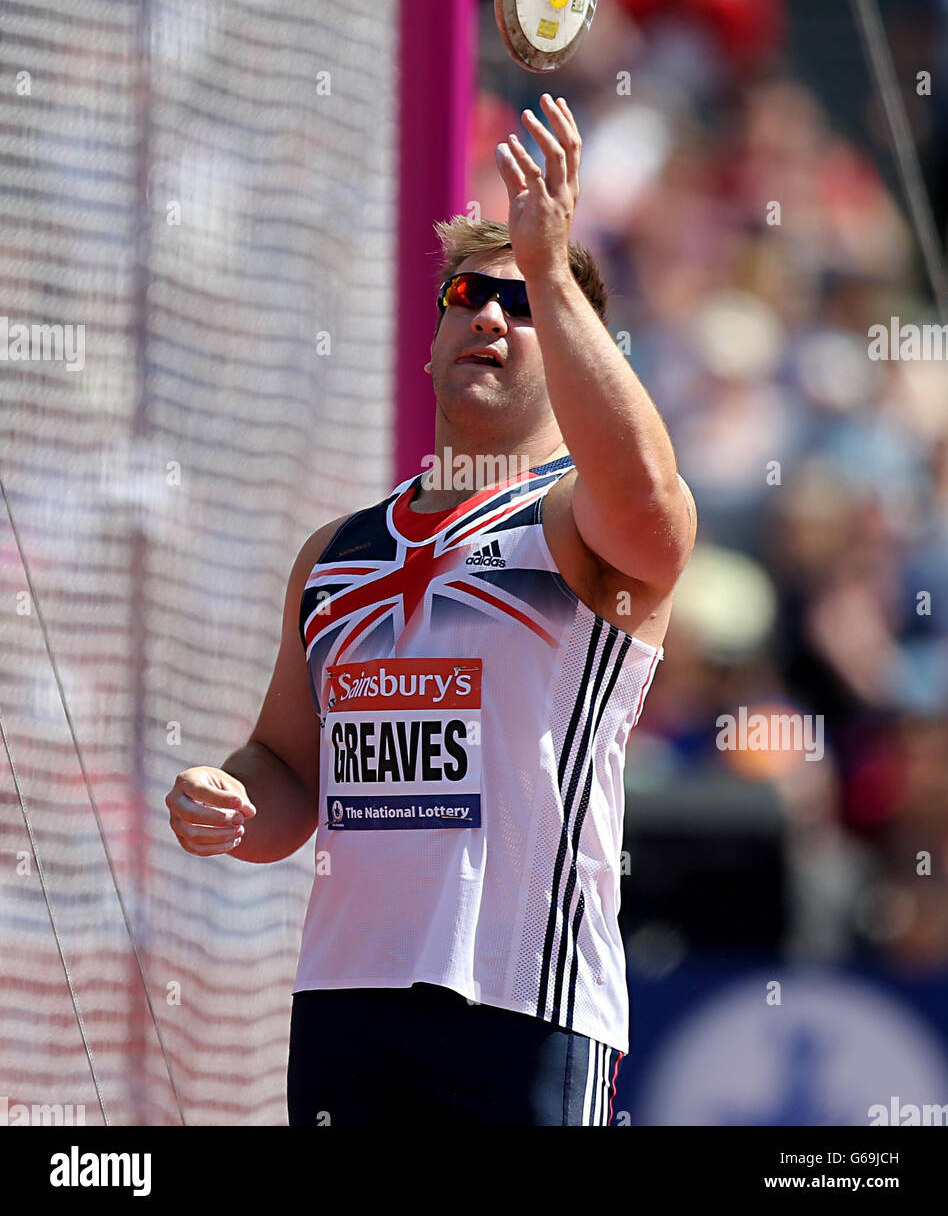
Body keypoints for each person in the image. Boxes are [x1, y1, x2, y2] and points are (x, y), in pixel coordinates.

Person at [166, 93, 697, 1126]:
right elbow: (286, 772)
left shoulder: (577, 530)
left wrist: (553, 264)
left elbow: (649, 502)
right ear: (432, 338)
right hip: (344, 1003)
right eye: (468, 294)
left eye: (525, 304)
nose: (490, 315)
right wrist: (227, 794)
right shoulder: (337, 555)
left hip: (524, 1007)